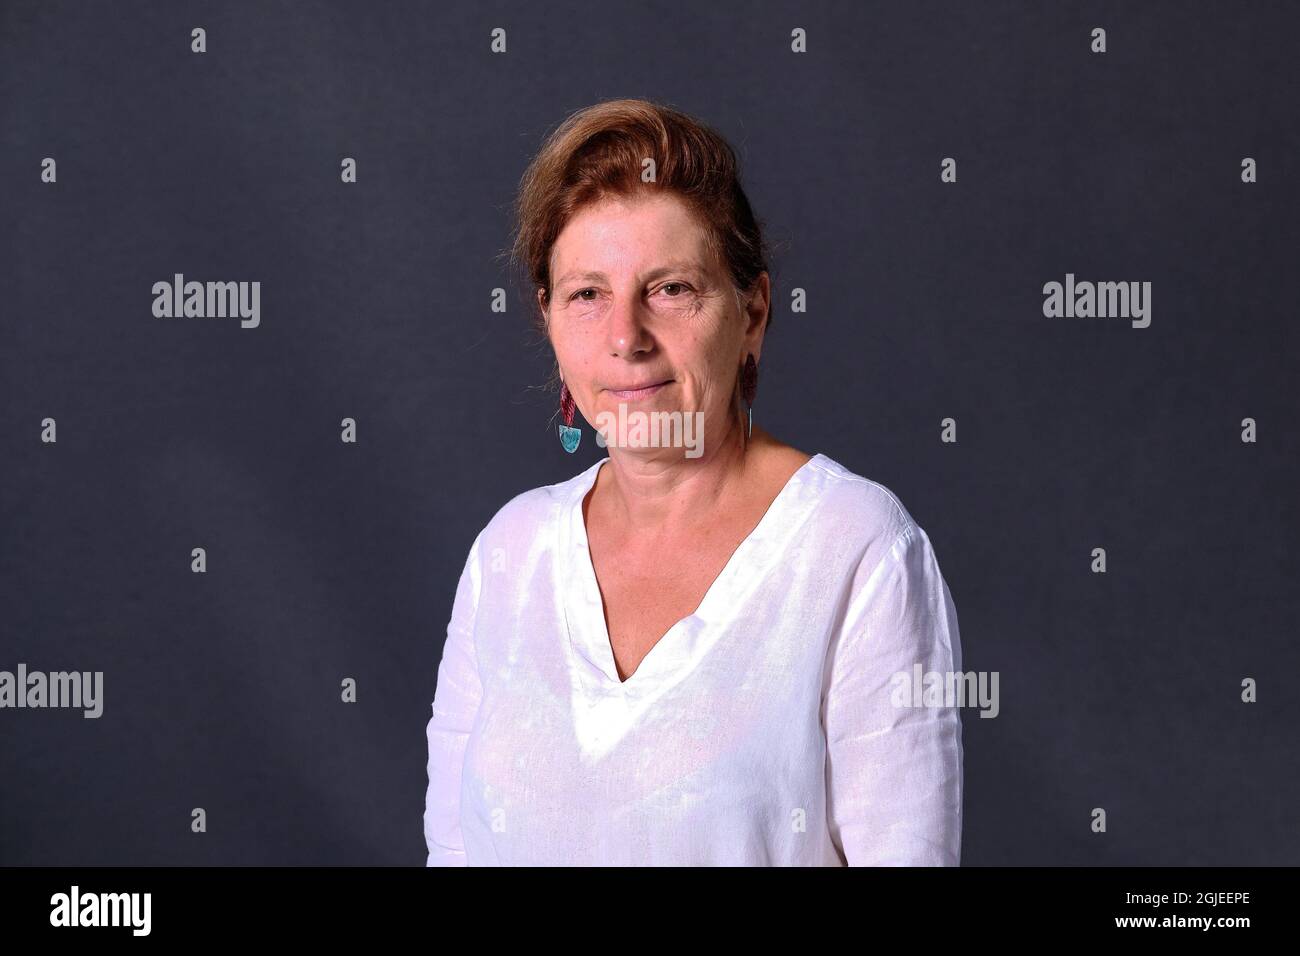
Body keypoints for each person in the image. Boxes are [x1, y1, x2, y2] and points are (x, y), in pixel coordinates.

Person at [425, 98, 963, 865]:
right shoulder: (510, 552)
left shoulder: (858, 547)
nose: (626, 338)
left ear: (752, 313)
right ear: (547, 318)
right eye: (588, 295)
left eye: (671, 289)